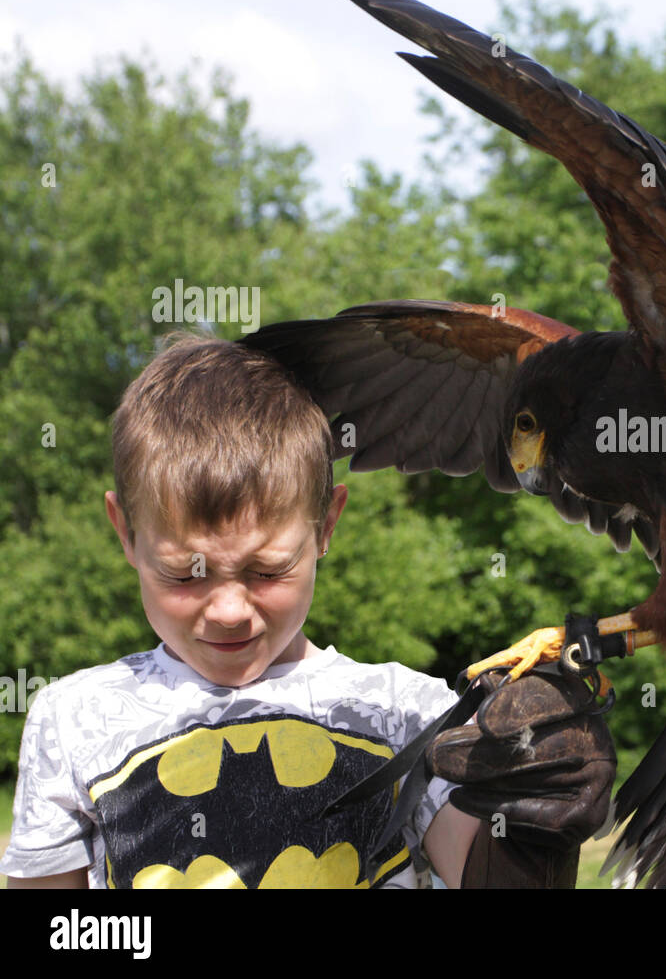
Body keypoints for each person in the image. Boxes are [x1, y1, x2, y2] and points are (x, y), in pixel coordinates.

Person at [1, 333, 614, 889]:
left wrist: (537, 808)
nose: (229, 610)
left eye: (267, 571)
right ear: (125, 533)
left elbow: (492, 882)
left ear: (326, 526)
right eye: (184, 573)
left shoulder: (407, 714)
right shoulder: (72, 719)